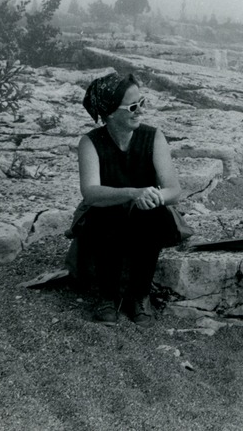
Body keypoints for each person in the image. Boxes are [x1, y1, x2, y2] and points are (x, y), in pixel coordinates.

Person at [66, 71, 182, 327]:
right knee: (104, 210)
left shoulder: (153, 136)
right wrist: (131, 193)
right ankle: (107, 296)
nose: (140, 111)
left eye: (142, 103)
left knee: (149, 211)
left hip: (145, 218)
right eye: (132, 106)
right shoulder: (90, 143)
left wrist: (152, 195)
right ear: (109, 113)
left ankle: (140, 295)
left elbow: (174, 191)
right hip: (105, 218)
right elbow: (91, 192)